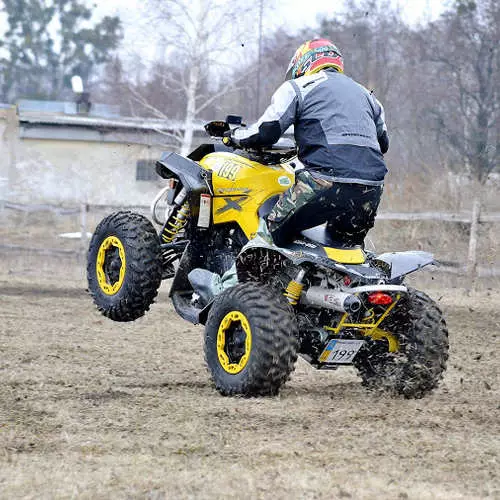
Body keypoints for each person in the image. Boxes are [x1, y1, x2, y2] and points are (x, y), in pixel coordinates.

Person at [228, 38, 389, 247]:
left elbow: (266, 132)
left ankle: (231, 281)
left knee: (267, 238)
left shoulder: (297, 87)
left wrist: (234, 136)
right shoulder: (368, 96)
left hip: (325, 182)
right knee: (344, 250)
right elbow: (382, 144)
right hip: (371, 188)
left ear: (303, 63)